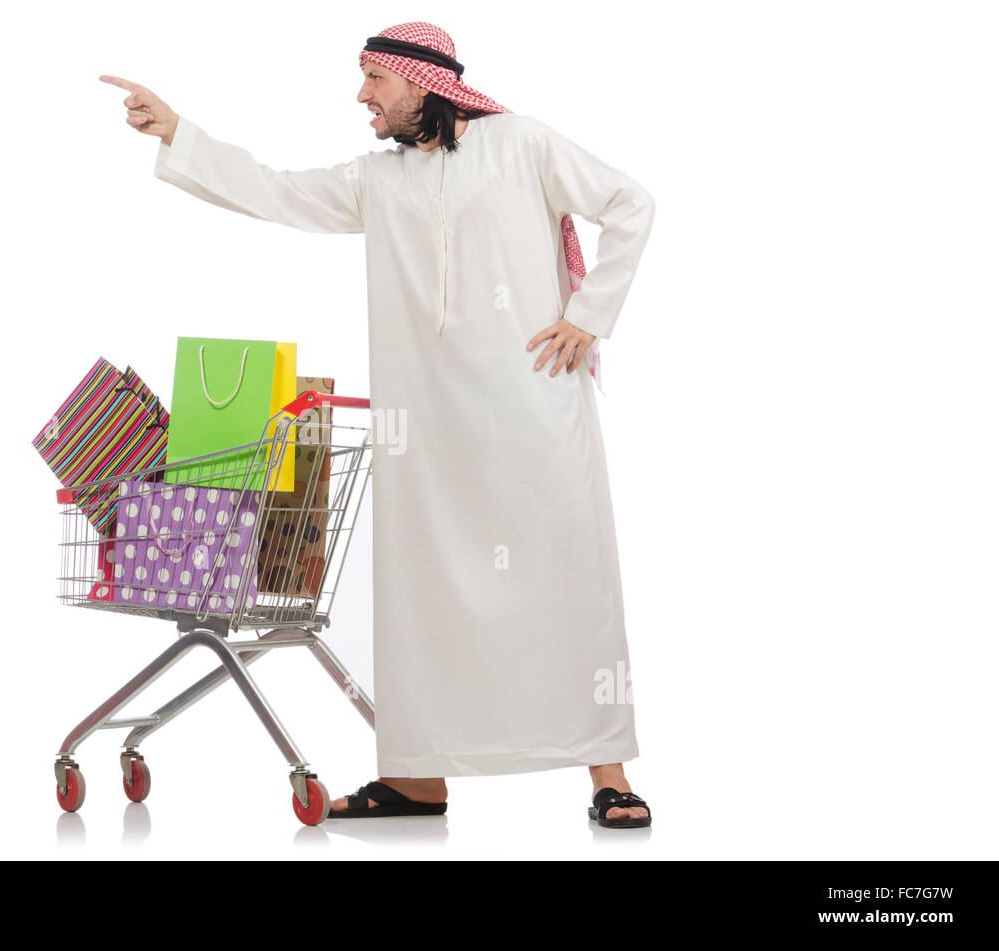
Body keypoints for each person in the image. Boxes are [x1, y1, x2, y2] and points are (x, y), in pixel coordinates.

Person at [100, 20, 656, 828]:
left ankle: (609, 772)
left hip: (535, 414)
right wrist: (181, 131)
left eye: (374, 81)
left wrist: (589, 314)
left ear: (421, 84)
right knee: (420, 594)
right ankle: (418, 780)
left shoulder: (523, 145)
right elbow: (276, 189)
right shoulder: (378, 180)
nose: (363, 97)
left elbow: (631, 203)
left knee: (571, 578)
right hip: (425, 426)